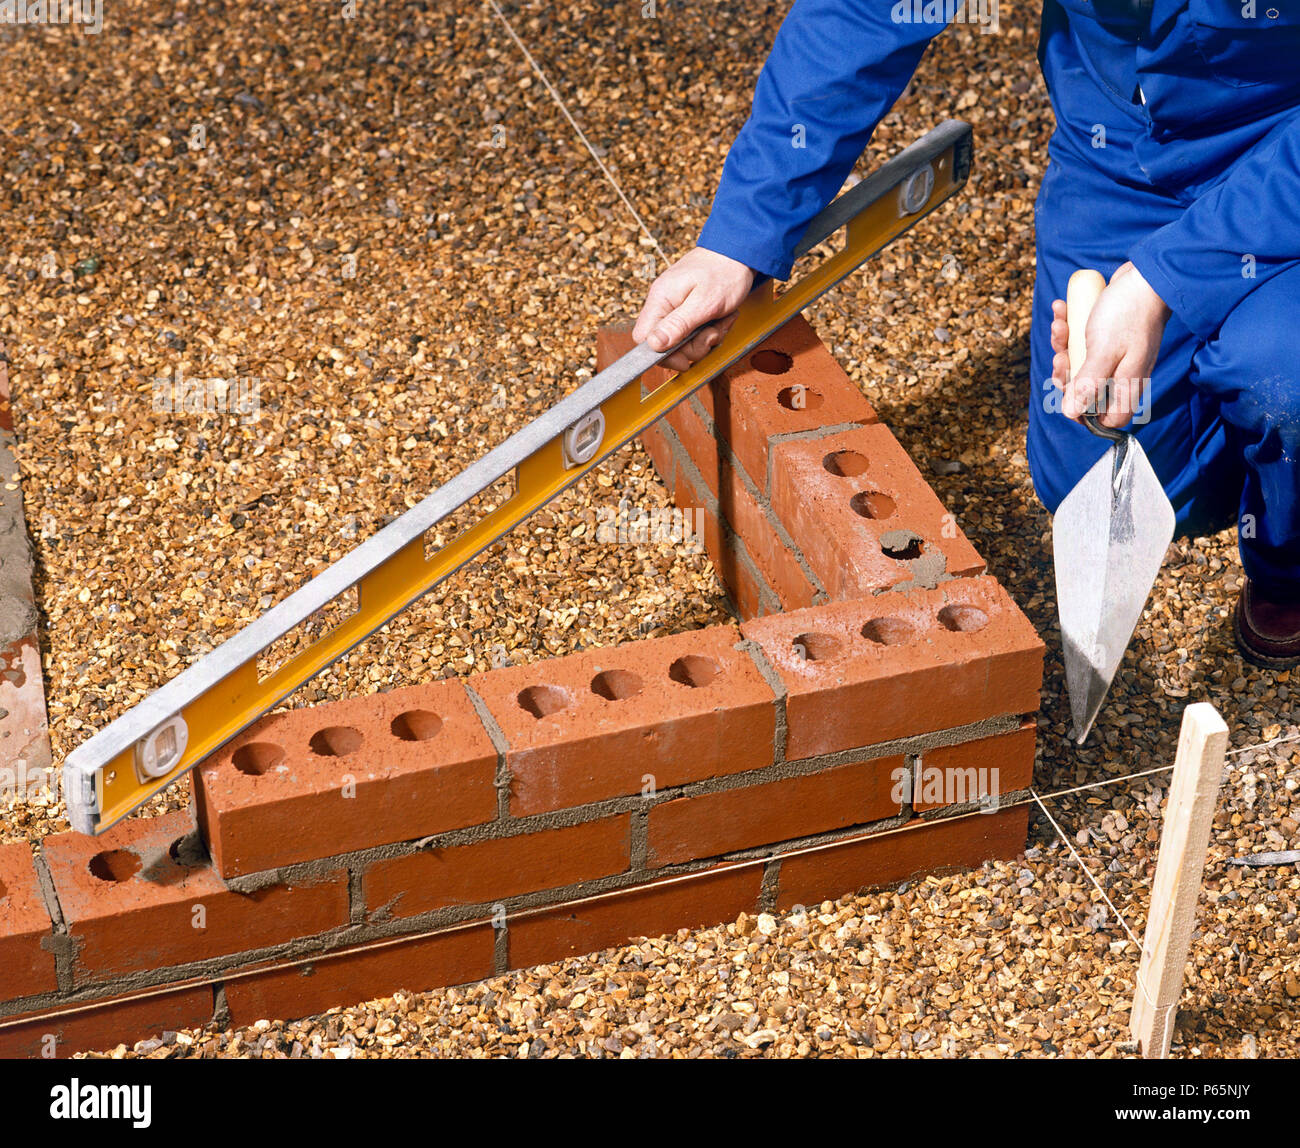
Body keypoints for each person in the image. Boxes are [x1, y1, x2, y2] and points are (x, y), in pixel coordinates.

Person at [631, 0, 1300, 666]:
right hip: (1128, 154)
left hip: (1283, 153)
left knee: (1278, 378)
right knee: (1098, 474)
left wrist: (1162, 279)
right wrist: (742, 237)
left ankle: (1286, 570)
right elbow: (863, 14)